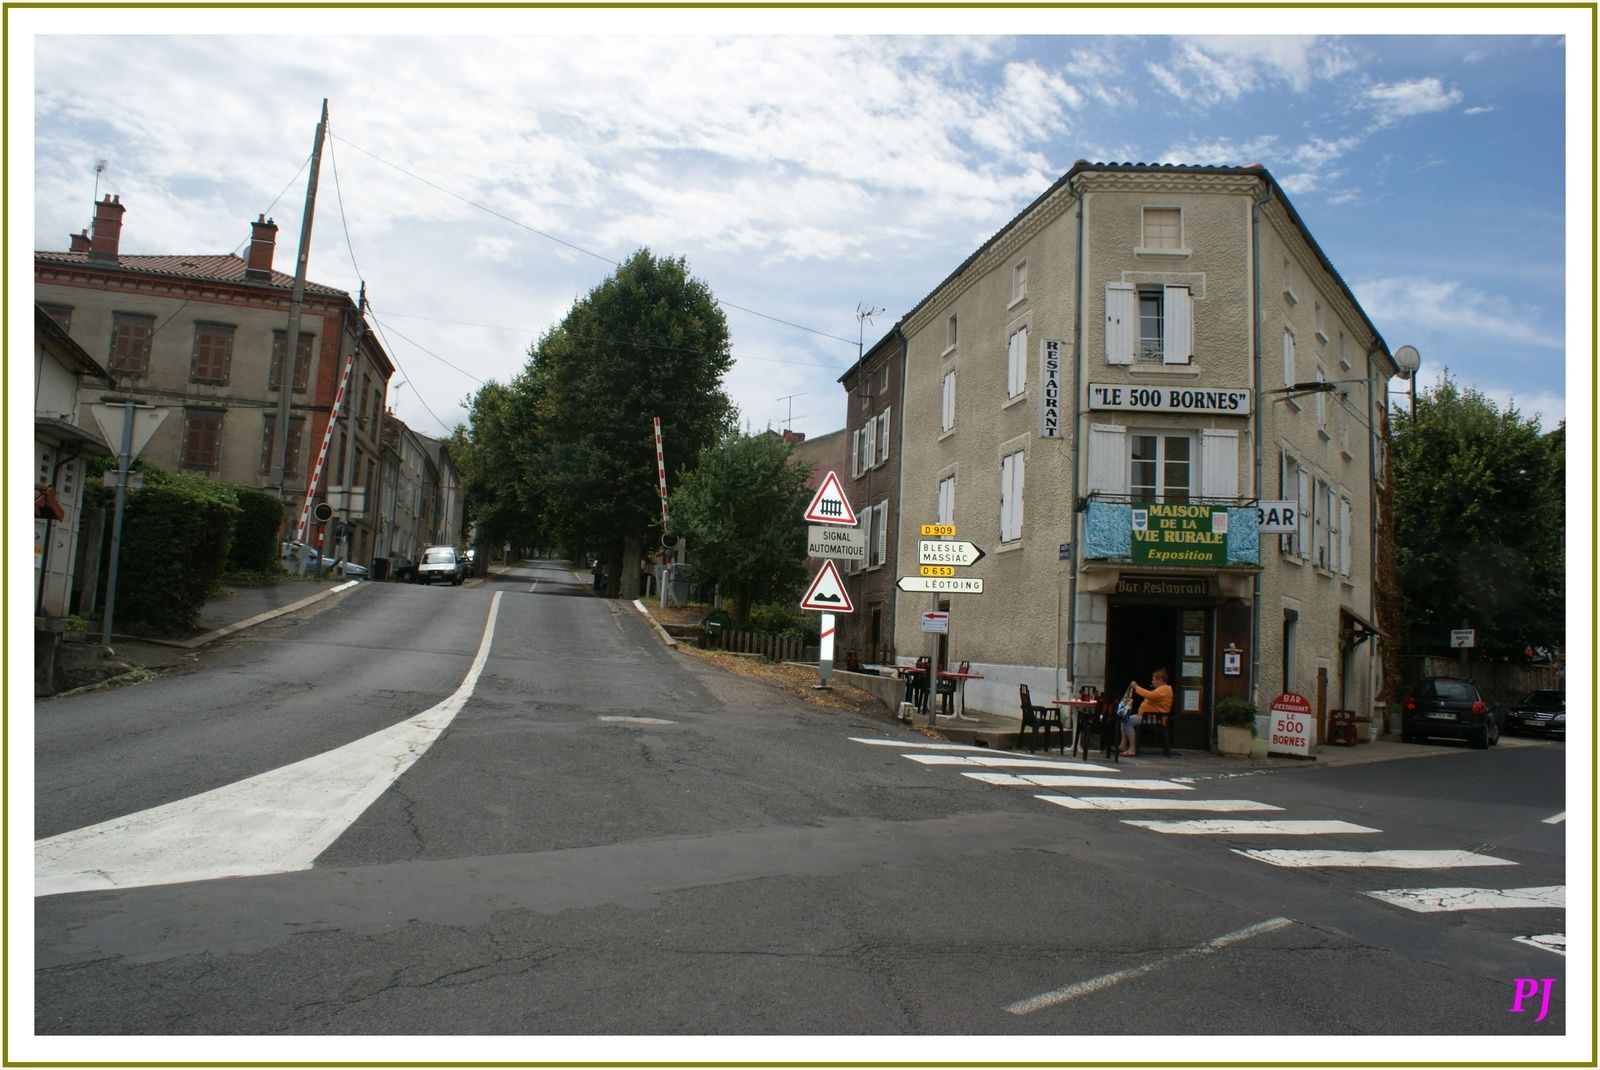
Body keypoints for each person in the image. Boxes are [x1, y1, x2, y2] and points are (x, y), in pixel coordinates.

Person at [1124, 668, 1173, 757]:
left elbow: (1150, 695)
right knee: (1124, 718)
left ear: (1160, 680)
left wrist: (1136, 687)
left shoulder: (1165, 689)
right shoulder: (1161, 690)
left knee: (1128, 721)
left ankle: (1132, 748)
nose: (1152, 682)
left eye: (1153, 680)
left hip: (1153, 718)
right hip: (1148, 717)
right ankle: (1123, 744)